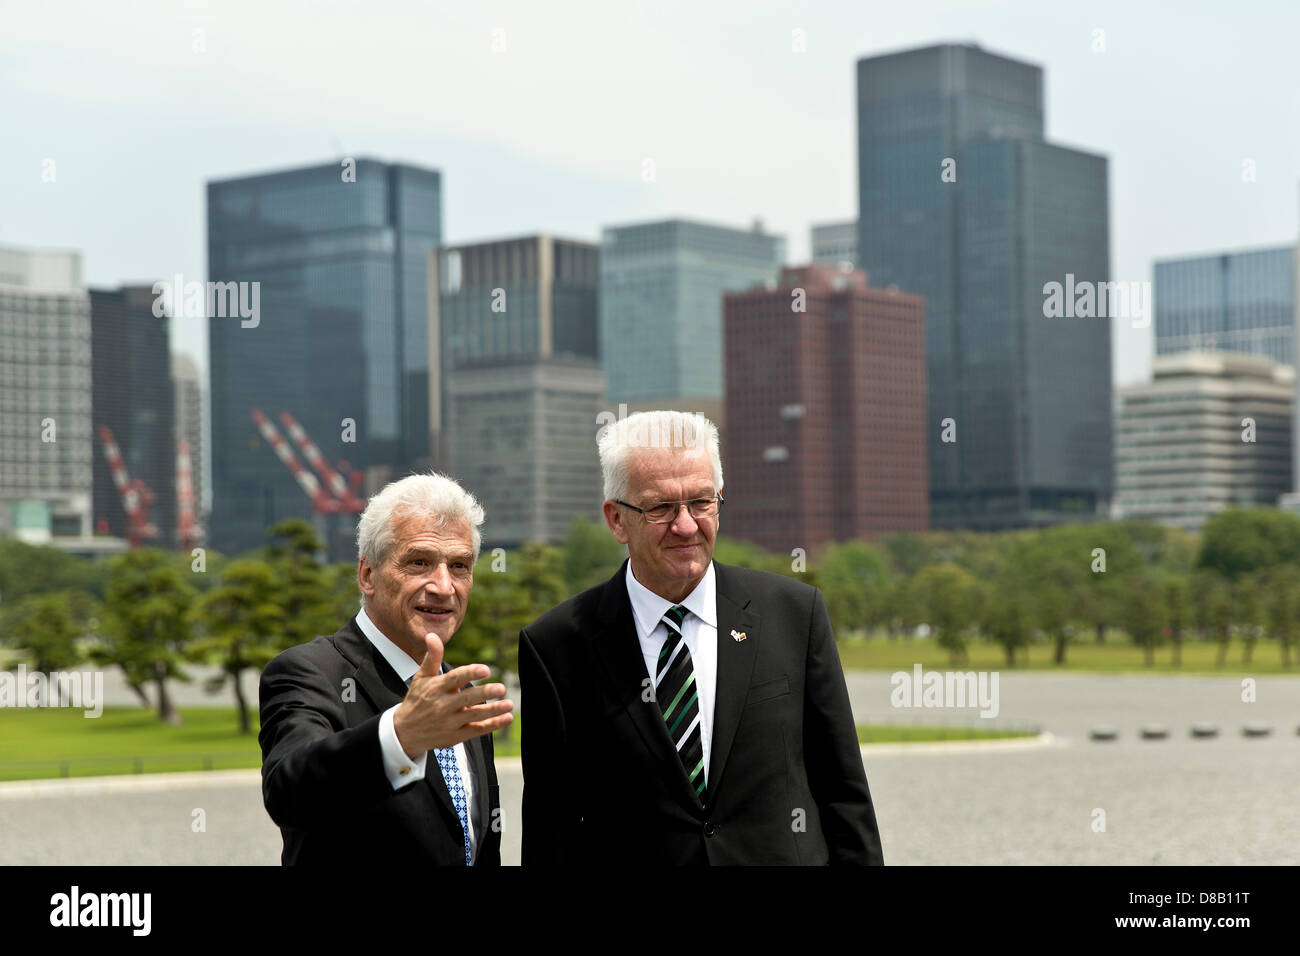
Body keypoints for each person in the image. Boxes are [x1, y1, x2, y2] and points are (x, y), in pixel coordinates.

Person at [519, 410, 884, 865]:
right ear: (616, 520)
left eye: (701, 502)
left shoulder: (794, 615)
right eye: (660, 508)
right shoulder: (556, 646)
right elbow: (550, 829)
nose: (686, 525)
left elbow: (845, 796)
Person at [259, 472, 514, 866]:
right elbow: (289, 792)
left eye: (460, 566)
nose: (444, 586)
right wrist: (399, 737)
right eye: (419, 562)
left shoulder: (459, 693)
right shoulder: (308, 672)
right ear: (367, 575)